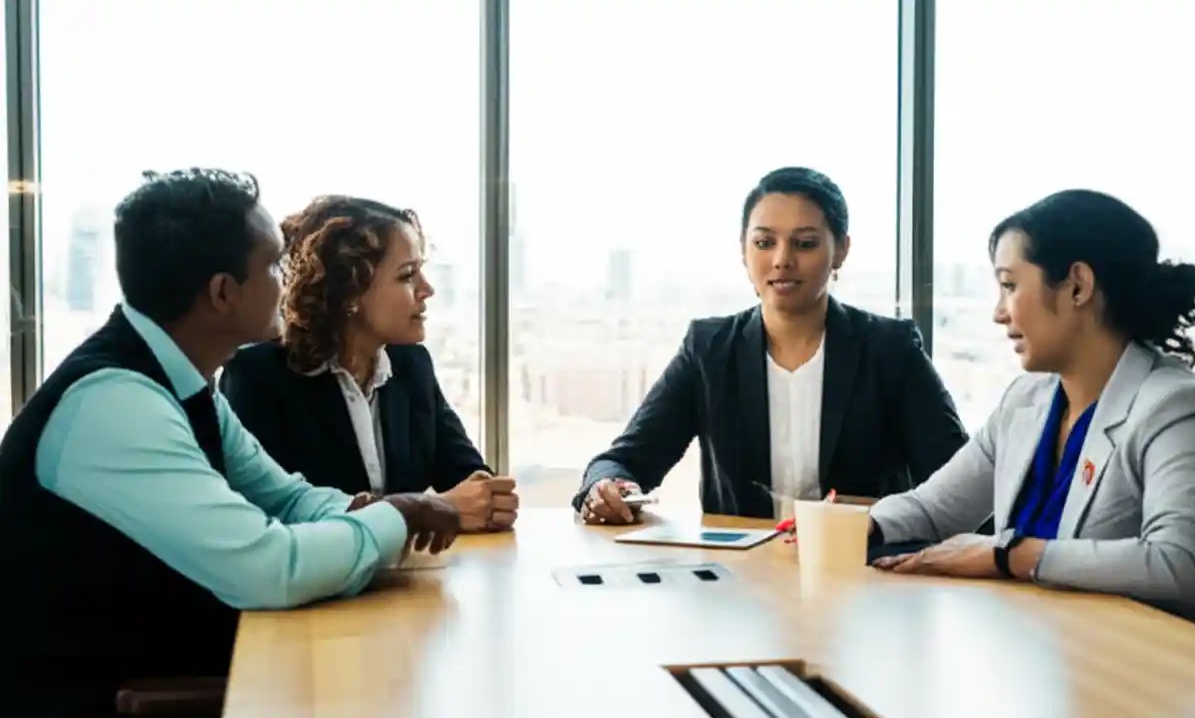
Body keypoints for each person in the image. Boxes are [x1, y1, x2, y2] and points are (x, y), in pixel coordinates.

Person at [0, 169, 462, 714]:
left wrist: (368, 509)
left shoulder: (184, 384)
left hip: (185, 667)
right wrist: (398, 516)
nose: (289, 281)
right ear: (223, 292)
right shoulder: (114, 404)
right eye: (273, 265)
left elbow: (287, 498)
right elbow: (268, 568)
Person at [868, 189, 1195, 647]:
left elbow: (1185, 565)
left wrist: (1008, 556)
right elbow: (932, 509)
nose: (999, 313)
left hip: (1173, 665)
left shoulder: (1174, 407)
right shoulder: (1026, 401)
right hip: (1061, 651)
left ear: (1078, 285)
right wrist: (858, 528)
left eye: (1010, 285)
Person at [575, 167, 968, 523]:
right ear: (743, 250)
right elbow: (623, 461)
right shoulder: (710, 350)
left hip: (863, 565)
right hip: (742, 569)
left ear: (841, 250)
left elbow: (962, 481)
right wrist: (608, 488)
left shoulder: (890, 350)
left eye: (805, 243)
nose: (782, 260)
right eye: (764, 243)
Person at [219, 196, 518, 533]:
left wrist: (488, 500)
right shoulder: (258, 374)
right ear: (349, 292)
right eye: (407, 275)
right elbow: (269, 514)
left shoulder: (411, 365)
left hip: (407, 568)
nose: (427, 289)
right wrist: (433, 509)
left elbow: (471, 481)